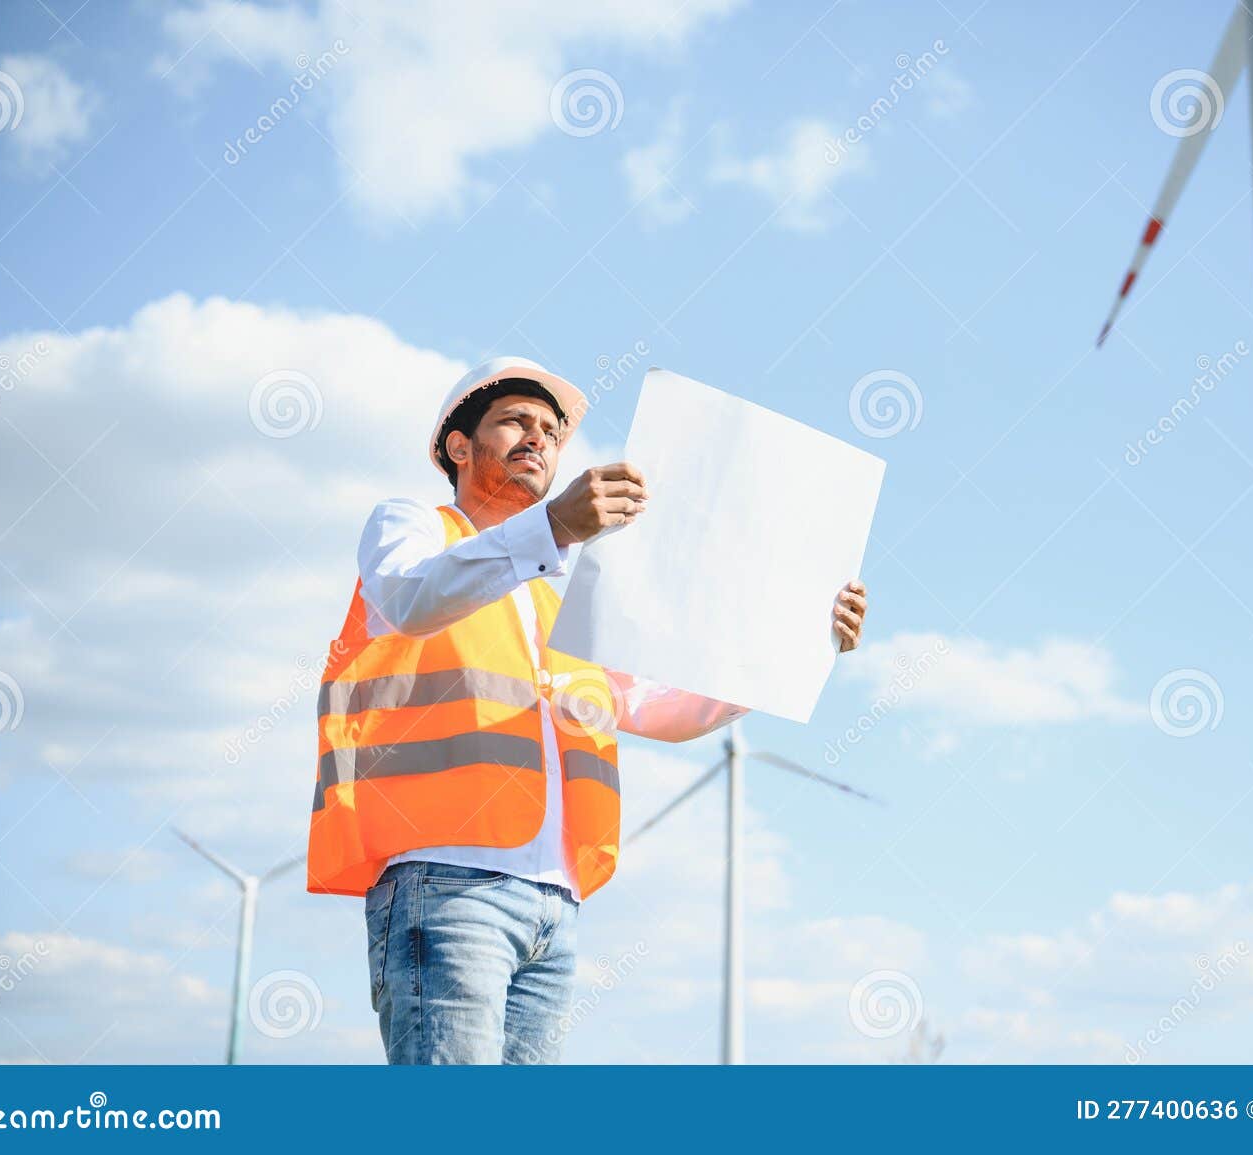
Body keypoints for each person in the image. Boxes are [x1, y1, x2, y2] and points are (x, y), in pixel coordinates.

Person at [306, 356, 869, 1064]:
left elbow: (661, 709)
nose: (537, 438)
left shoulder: (566, 587)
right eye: (514, 421)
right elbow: (414, 598)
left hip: (555, 904)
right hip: (444, 885)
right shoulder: (414, 525)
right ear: (458, 445)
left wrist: (798, 646)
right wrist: (553, 530)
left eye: (549, 430)